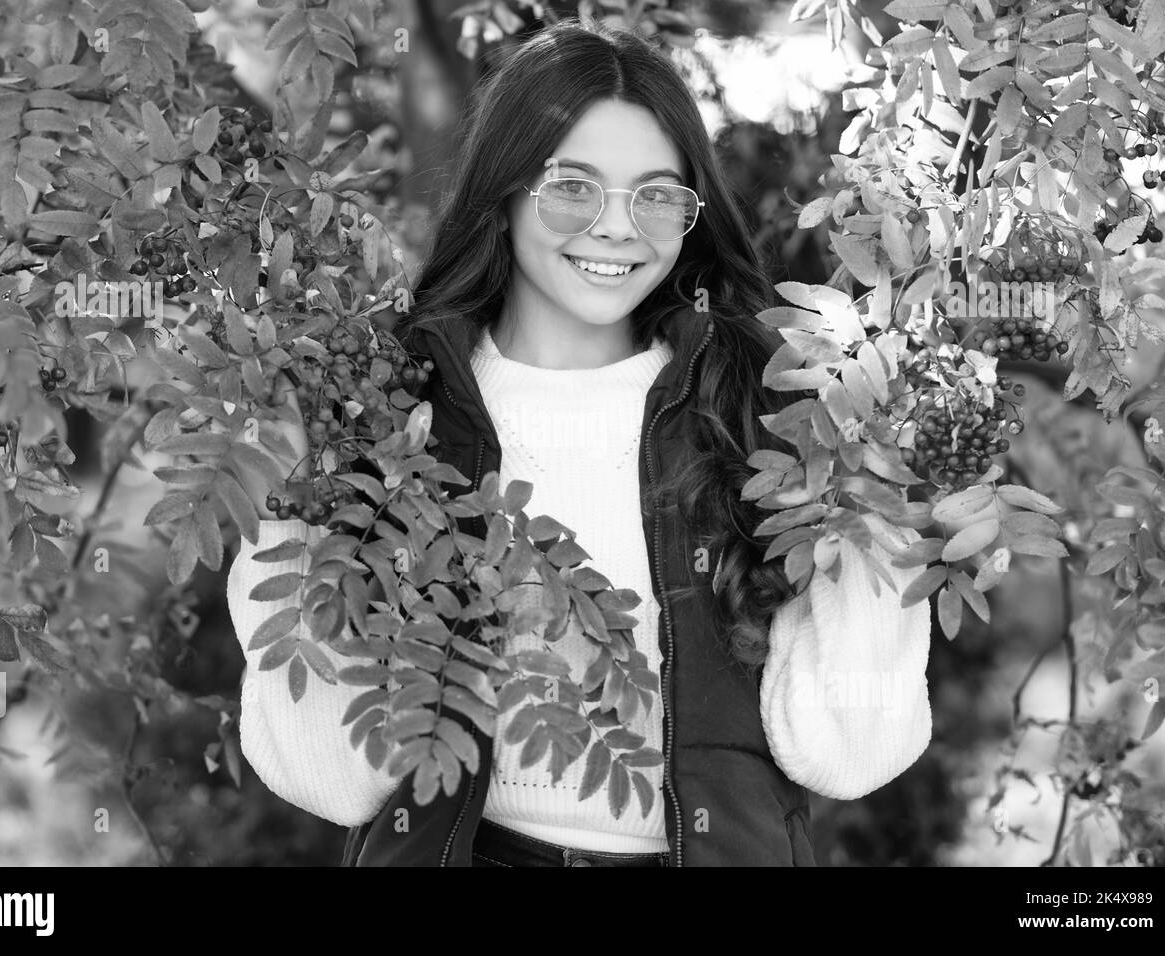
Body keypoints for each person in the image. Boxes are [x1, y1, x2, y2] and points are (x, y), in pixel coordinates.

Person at [226, 19, 932, 867]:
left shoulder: (760, 410)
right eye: (573, 187)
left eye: (656, 194)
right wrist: (283, 496)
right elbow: (336, 781)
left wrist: (880, 515)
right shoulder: (394, 410)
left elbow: (848, 754)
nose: (616, 227)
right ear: (506, 188)